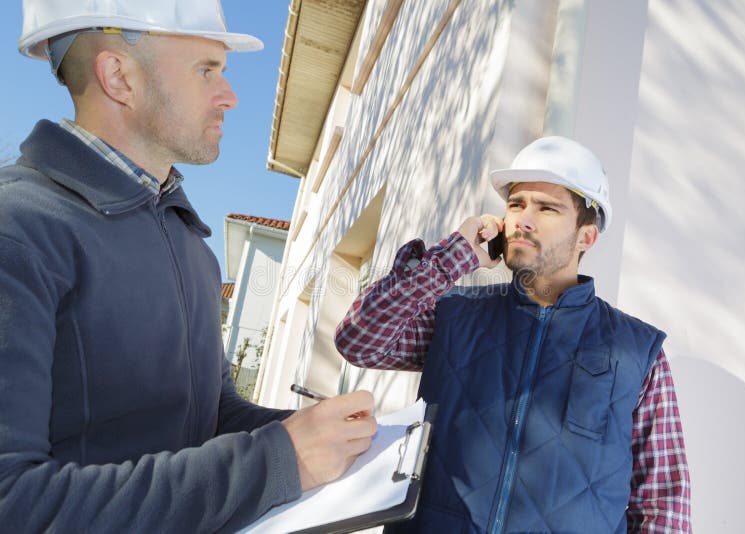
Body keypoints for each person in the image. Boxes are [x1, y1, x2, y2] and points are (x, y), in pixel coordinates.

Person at [0, 1, 376, 532]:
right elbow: (13, 505)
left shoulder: (192, 248)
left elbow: (211, 418)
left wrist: (324, 434)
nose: (230, 96)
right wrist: (277, 461)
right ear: (119, 76)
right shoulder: (18, 230)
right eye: (207, 70)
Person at [336, 136, 692, 532]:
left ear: (586, 236)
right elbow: (359, 339)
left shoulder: (635, 349)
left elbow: (662, 502)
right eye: (516, 204)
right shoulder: (455, 315)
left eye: (547, 208)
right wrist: (453, 257)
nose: (523, 219)